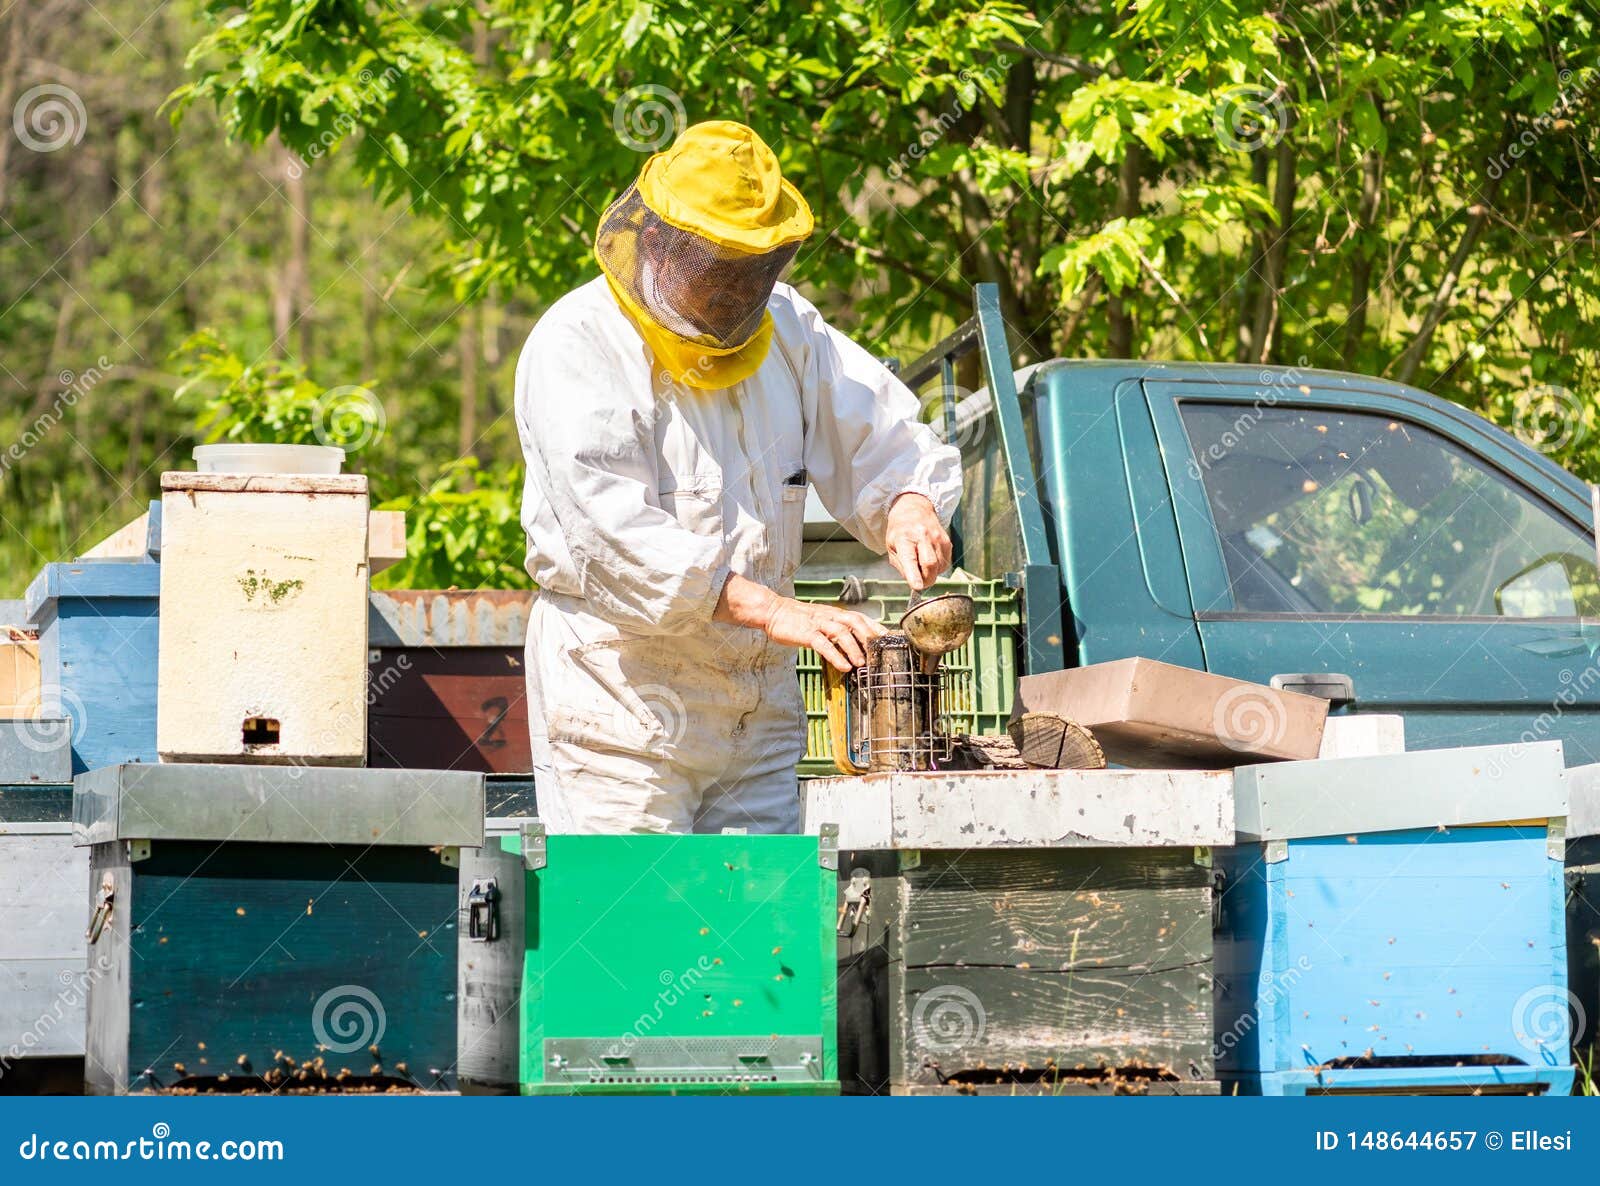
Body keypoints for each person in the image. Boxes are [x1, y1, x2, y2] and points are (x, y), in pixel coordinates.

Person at [513, 119, 961, 834]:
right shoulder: (580, 343)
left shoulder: (789, 326)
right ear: (656, 240)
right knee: (636, 927)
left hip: (757, 710)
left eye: (754, 269)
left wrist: (909, 501)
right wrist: (782, 613)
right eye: (717, 267)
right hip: (623, 707)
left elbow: (879, 427)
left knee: (755, 925)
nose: (736, 291)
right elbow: (613, 534)